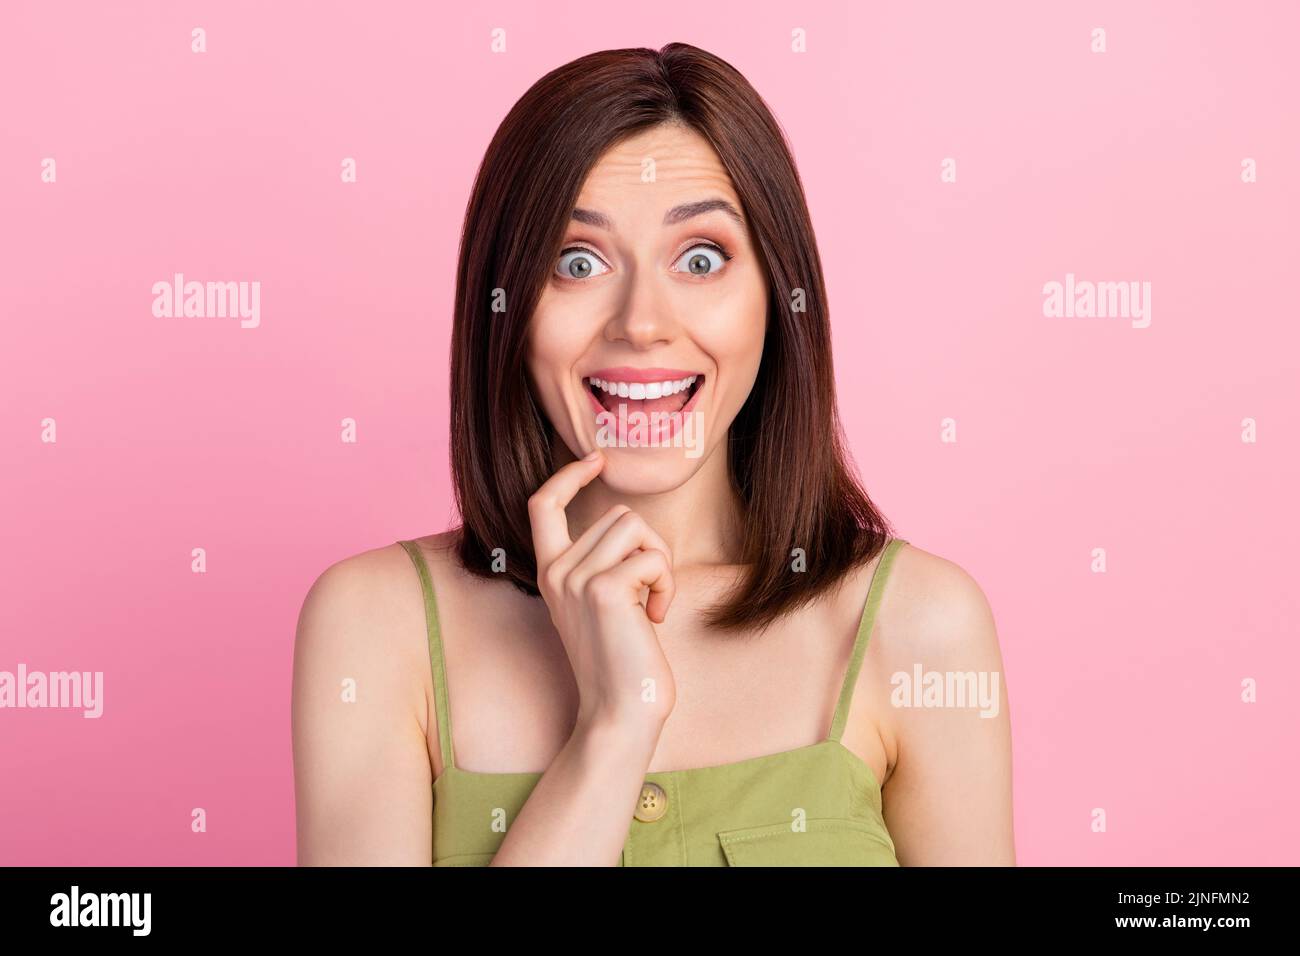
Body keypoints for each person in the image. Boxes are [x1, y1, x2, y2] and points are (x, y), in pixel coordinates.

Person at [292, 42, 1014, 866]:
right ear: (508, 308)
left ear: (777, 299)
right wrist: (614, 725)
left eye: (701, 259)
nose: (641, 322)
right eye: (577, 262)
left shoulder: (920, 626)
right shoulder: (374, 627)